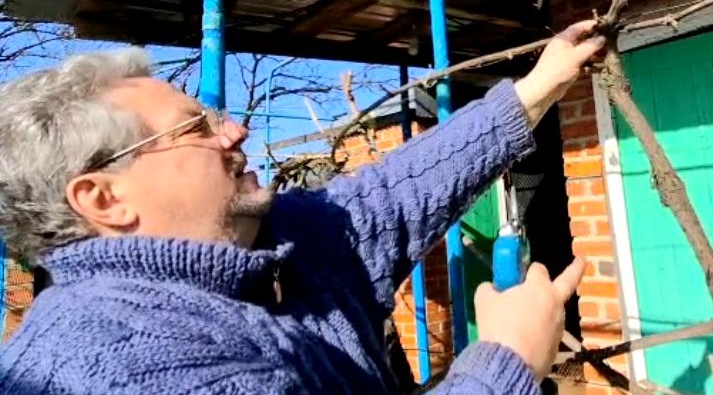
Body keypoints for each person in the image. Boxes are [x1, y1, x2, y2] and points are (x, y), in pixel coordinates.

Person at [0, 21, 605, 394]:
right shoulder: (113, 366)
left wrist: (541, 84)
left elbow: (394, 193)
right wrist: (506, 361)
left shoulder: (277, 242)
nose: (235, 130)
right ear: (104, 198)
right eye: (196, 128)